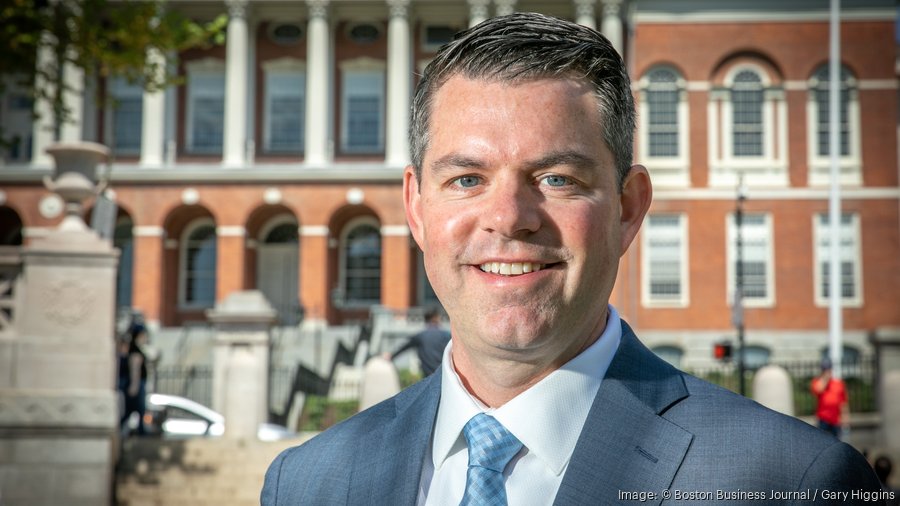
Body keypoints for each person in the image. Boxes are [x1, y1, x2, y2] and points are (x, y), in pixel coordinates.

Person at [263, 13, 882, 505]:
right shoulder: (308, 483)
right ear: (416, 208)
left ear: (628, 207)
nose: (509, 217)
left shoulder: (794, 484)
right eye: (467, 179)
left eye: (557, 178)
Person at [387, 307, 451, 376]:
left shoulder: (420, 336)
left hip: (428, 374)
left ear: (425, 319)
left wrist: (391, 356)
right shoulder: (446, 335)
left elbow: (404, 347)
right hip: (443, 373)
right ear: (437, 318)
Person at [119, 321, 149, 435]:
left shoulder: (134, 349)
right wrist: (134, 386)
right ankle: (141, 432)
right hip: (138, 385)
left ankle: (140, 431)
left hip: (138, 384)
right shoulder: (135, 351)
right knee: (138, 410)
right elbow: (135, 370)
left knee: (132, 411)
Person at [810, 357, 849, 438]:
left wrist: (845, 418)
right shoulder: (816, 382)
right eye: (824, 370)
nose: (827, 372)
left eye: (828, 369)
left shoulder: (838, 383)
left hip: (836, 420)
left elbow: (843, 403)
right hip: (823, 419)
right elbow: (818, 390)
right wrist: (825, 379)